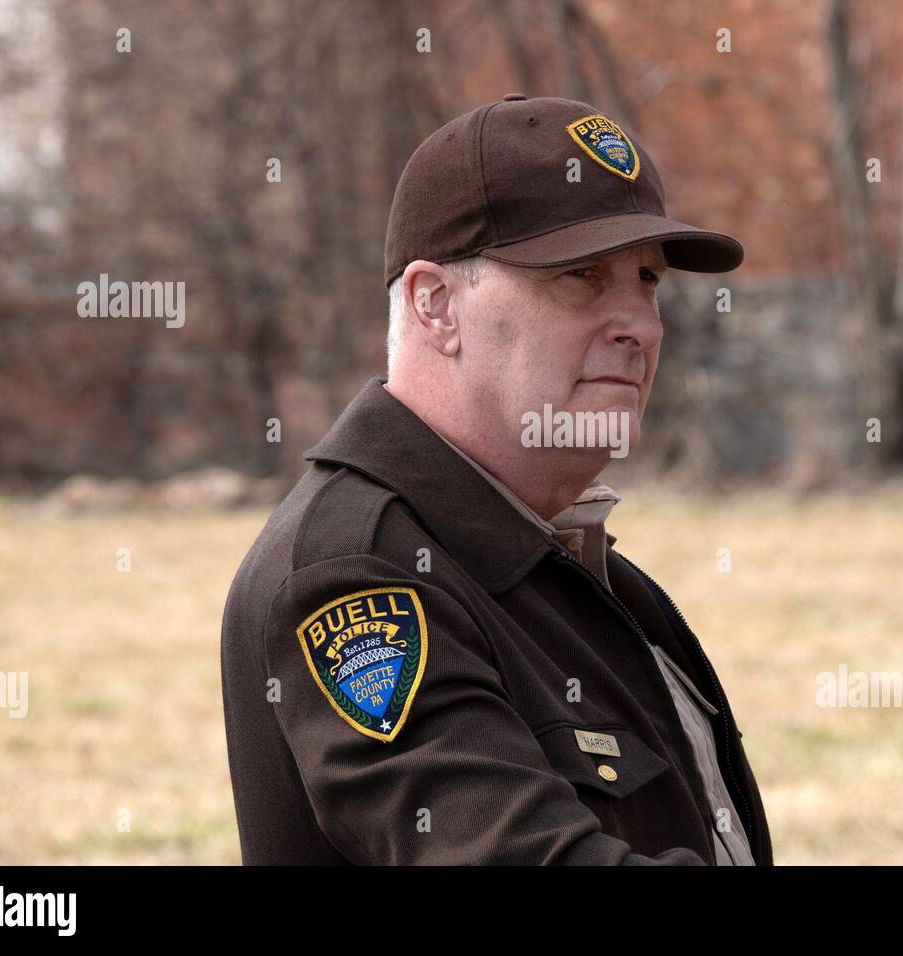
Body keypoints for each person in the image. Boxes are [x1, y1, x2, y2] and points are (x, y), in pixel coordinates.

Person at [221, 94, 772, 864]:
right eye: (582, 274)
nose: (640, 325)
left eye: (647, 280)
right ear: (436, 305)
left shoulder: (582, 568)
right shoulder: (357, 574)